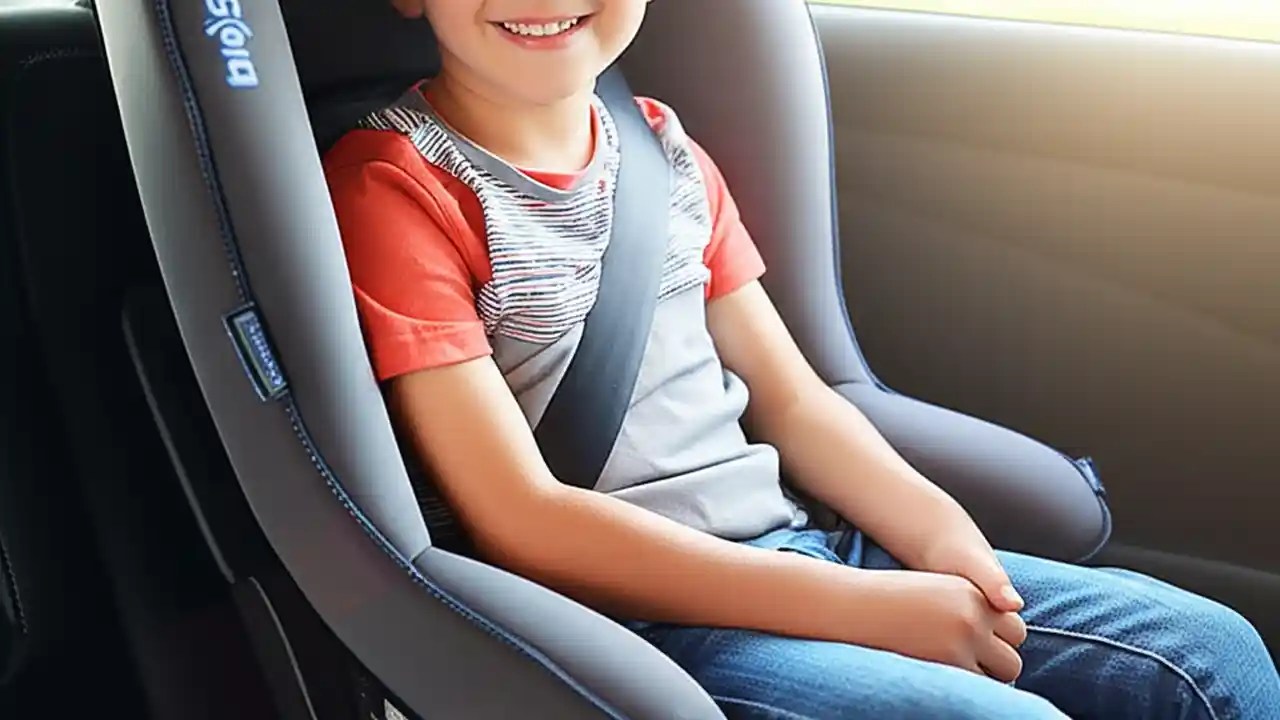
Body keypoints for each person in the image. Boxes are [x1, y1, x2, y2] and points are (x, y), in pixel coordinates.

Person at [321, 1, 1280, 717]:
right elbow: (521, 519)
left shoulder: (665, 152)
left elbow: (795, 401)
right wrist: (863, 607)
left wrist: (942, 539)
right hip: (637, 619)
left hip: (802, 545)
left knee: (1211, 656)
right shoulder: (394, 188)